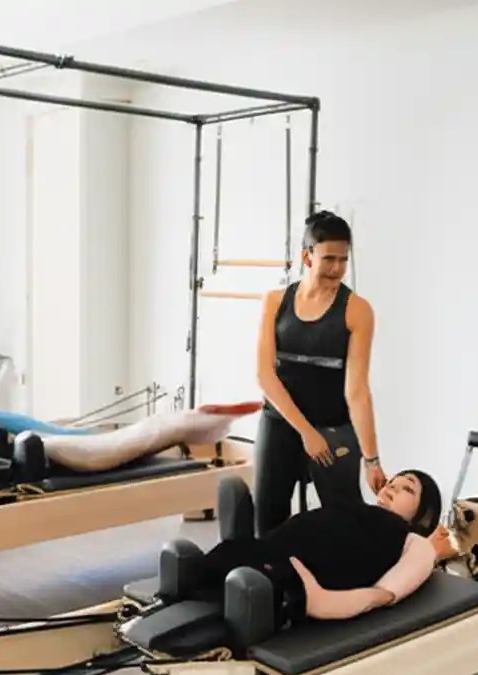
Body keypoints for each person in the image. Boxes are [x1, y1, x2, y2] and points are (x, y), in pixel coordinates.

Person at [178, 470, 447, 629]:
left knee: (260, 577)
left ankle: (225, 584)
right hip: (275, 550)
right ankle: (188, 577)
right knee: (237, 553)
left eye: (407, 489)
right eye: (394, 481)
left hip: (300, 576)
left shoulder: (415, 542)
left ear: (423, 517)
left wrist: (318, 600)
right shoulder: (360, 509)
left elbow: (382, 595)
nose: (392, 486)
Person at [254, 210, 385, 535]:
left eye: (343, 259)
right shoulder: (274, 301)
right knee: (269, 520)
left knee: (347, 523)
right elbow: (265, 376)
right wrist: (305, 433)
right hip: (281, 424)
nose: (337, 269)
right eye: (329, 259)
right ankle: (272, 582)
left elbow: (356, 392)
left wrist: (372, 460)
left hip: (333, 428)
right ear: (307, 256)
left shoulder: (358, 310)